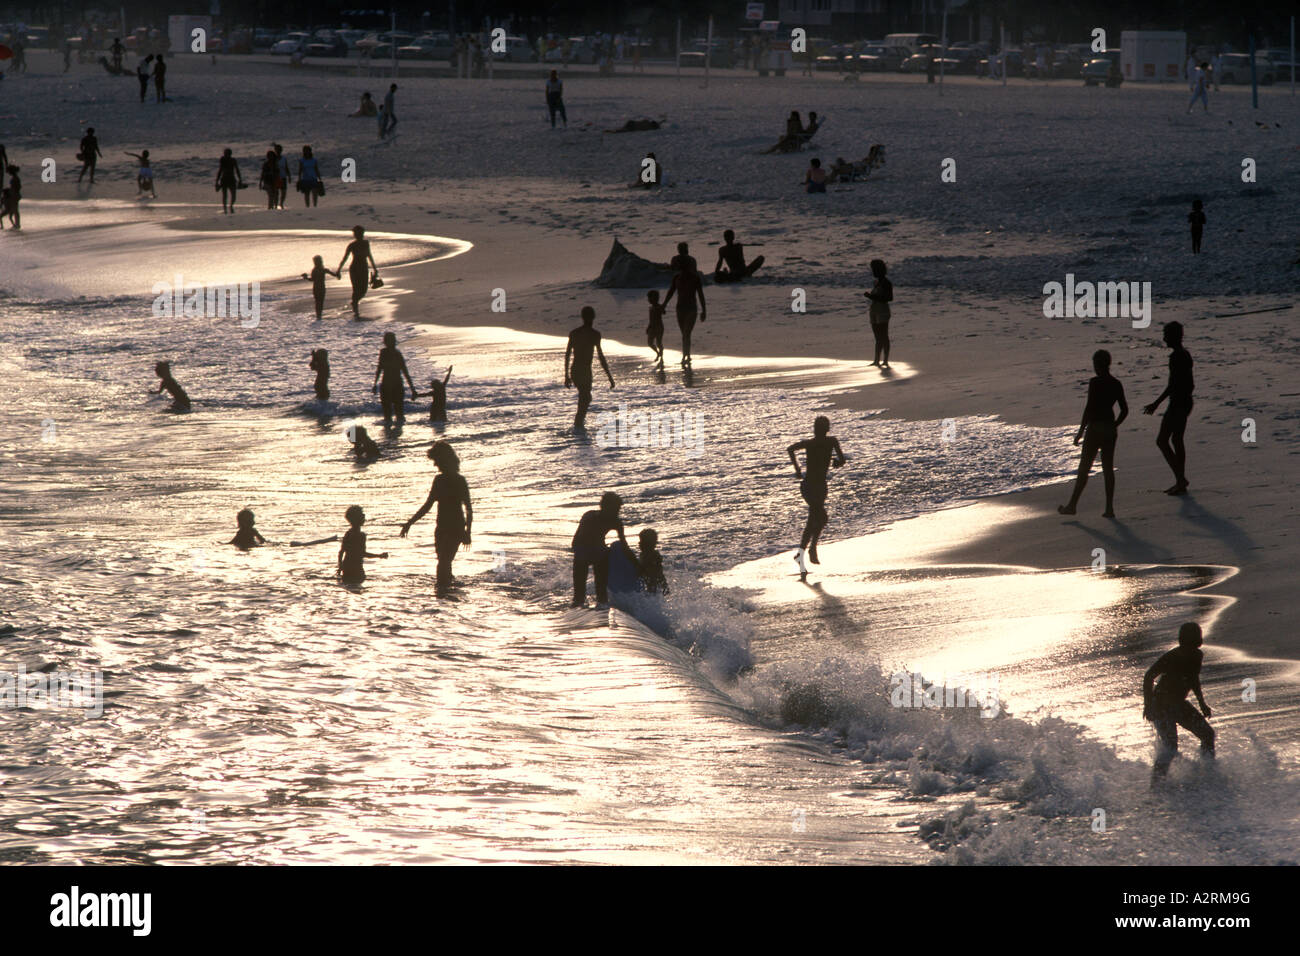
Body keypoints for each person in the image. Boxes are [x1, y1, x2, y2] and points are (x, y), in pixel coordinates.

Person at [1058, 350, 1129, 518]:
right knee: (1107, 468)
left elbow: (1089, 408)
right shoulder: (1116, 384)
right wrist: (1115, 424)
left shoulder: (1095, 383)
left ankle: (1072, 505)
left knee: (1084, 468)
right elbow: (1124, 410)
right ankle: (1109, 508)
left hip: (1095, 428)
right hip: (1109, 429)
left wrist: (1080, 432)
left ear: (1097, 365)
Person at [1144, 622, 1214, 782]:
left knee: (1208, 735)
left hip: (1178, 704)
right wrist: (1148, 705)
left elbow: (1193, 678)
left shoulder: (1197, 655)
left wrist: (1202, 703)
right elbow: (1149, 676)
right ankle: (1156, 784)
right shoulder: (1173, 656)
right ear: (1183, 640)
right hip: (1161, 705)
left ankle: (1209, 773)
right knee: (1170, 746)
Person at [400, 441, 473, 592]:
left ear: (444, 461)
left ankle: (441, 593)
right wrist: (409, 523)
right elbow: (428, 505)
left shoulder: (459, 480)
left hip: (456, 528)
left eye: (437, 461)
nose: (435, 465)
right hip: (441, 528)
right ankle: (447, 592)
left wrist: (468, 532)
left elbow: (468, 509)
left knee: (444, 562)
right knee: (444, 562)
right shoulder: (439, 480)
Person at [787, 415, 846, 577]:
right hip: (813, 486)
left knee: (815, 519)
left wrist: (797, 469)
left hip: (815, 486)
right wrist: (836, 463)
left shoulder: (812, 443)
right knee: (820, 517)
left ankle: (803, 553)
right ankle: (810, 549)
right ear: (827, 429)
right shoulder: (830, 441)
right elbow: (842, 461)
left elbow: (790, 449)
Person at [1143, 321, 1194, 496]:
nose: (1164, 338)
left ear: (1174, 336)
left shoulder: (1176, 357)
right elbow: (1188, 383)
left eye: (1166, 335)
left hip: (1178, 403)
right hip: (1186, 402)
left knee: (1162, 440)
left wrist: (1156, 403)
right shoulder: (1185, 354)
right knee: (1177, 440)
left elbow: (1173, 384)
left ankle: (1180, 479)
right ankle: (1180, 480)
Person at [571, 492, 629, 607]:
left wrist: (636, 564)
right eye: (615, 509)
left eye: (618, 509)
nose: (617, 512)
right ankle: (577, 610)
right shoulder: (589, 517)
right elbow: (576, 541)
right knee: (579, 595)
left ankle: (602, 610)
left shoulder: (616, 522)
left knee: (601, 591)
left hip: (599, 553)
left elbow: (624, 546)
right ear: (604, 507)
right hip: (582, 551)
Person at [564, 306, 615, 431]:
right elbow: (601, 357)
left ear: (582, 317)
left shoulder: (574, 333)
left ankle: (579, 427)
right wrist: (609, 376)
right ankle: (578, 428)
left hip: (575, 370)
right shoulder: (595, 334)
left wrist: (566, 375)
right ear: (593, 317)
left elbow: (567, 354)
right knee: (585, 397)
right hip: (584, 371)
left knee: (586, 397)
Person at [661, 257, 707, 367]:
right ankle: (687, 354)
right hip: (680, 308)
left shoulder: (695, 278)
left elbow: (701, 295)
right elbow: (671, 292)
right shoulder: (677, 278)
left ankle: (685, 356)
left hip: (691, 308)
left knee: (686, 333)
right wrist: (664, 305)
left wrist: (704, 310)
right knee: (684, 334)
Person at [372, 331, 417, 427]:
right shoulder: (387, 353)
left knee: (395, 414)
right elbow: (379, 369)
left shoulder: (393, 354)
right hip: (390, 385)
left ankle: (392, 437)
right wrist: (374, 384)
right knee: (392, 415)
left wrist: (413, 389)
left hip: (393, 385)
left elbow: (405, 372)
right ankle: (393, 437)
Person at [337, 505, 387, 586]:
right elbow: (362, 554)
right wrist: (379, 556)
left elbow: (341, 552)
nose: (364, 516)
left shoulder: (348, 534)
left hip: (347, 568)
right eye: (361, 515)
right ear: (357, 519)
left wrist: (340, 566)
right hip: (356, 569)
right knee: (358, 588)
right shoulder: (360, 535)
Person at [337, 225, 378, 318]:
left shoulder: (365, 243)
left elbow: (369, 255)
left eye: (359, 233)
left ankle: (354, 303)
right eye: (356, 233)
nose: (357, 235)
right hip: (355, 269)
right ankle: (356, 310)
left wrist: (375, 268)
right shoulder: (352, 245)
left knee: (363, 289)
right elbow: (345, 258)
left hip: (363, 268)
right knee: (356, 289)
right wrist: (339, 270)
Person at [863, 258, 893, 367]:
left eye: (874, 270)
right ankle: (876, 360)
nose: (873, 272)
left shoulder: (886, 283)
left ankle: (885, 360)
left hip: (882, 311)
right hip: (874, 310)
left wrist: (871, 296)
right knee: (877, 337)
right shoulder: (876, 282)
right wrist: (872, 297)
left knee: (884, 336)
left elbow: (889, 298)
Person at [302, 255, 338, 319]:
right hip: (321, 287)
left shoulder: (315, 270)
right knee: (320, 302)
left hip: (316, 287)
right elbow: (334, 275)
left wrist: (306, 277)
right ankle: (319, 316)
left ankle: (318, 316)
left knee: (317, 302)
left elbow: (312, 279)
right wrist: (338, 275)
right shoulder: (323, 269)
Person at [636, 528, 669, 595]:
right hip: (656, 583)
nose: (639, 543)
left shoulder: (651, 556)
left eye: (641, 541)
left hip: (654, 583)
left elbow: (653, 572)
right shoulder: (645, 554)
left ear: (647, 544)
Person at [215, 147, 242, 213]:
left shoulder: (233, 160)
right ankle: (225, 208)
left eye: (227, 153)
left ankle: (231, 205)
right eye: (225, 153)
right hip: (224, 179)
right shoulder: (222, 160)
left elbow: (237, 170)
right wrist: (217, 180)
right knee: (225, 195)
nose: (226, 155)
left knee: (233, 195)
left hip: (231, 179)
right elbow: (220, 170)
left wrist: (240, 179)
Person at [645, 290, 666, 368]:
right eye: (648, 298)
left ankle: (661, 357)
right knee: (650, 343)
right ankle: (658, 353)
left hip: (659, 327)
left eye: (650, 298)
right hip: (652, 327)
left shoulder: (659, 306)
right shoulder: (650, 308)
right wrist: (648, 327)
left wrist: (662, 307)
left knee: (659, 343)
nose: (649, 300)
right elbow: (651, 319)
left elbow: (664, 312)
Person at [274, 143, 291, 209]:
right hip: (276, 177)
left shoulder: (284, 159)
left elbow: (286, 167)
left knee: (283, 192)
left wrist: (289, 176)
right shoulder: (273, 159)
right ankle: (275, 205)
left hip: (283, 177)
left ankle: (281, 203)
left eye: (279, 150)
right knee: (276, 193)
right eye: (277, 150)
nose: (278, 151)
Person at [4, 165, 20, 229]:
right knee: (15, 210)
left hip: (14, 196)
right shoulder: (15, 178)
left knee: (15, 210)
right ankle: (17, 223)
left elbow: (17, 187)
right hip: (14, 195)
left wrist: (12, 191)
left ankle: (17, 224)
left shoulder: (15, 178)